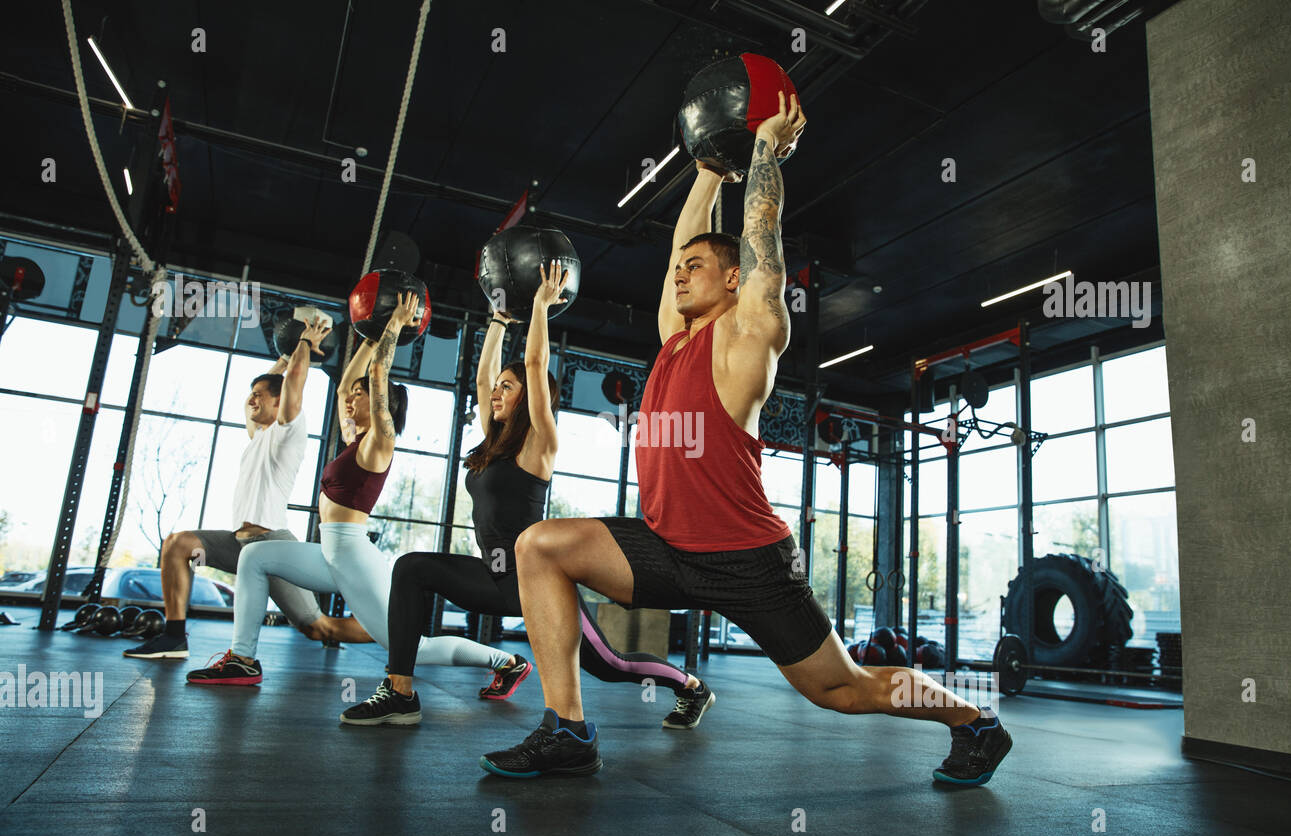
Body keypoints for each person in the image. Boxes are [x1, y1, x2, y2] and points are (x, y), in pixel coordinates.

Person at [481, 94, 1013, 785]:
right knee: (539, 546)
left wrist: (762, 153)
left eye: (694, 269)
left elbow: (763, 237)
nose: (677, 276)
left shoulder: (748, 338)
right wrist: (709, 169)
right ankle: (569, 731)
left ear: (735, 281)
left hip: (749, 562)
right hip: (669, 546)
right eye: (677, 272)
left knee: (845, 689)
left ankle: (974, 720)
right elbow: (683, 242)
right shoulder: (675, 341)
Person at [340, 261, 713, 728]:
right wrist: (497, 321)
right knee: (412, 568)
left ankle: (692, 687)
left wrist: (539, 306)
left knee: (611, 665)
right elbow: (480, 380)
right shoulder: (492, 447)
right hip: (496, 578)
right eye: (498, 388)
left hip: (541, 585)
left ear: (529, 398)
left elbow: (536, 365)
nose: (495, 393)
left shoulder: (539, 444)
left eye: (507, 388)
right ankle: (399, 692)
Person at [184, 294, 506, 689]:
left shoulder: (380, 443)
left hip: (353, 557)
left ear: (383, 405)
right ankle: (244, 660)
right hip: (328, 553)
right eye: (353, 395)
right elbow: (343, 390)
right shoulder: (355, 438)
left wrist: (394, 326)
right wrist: (369, 336)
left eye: (361, 396)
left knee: (413, 650)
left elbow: (376, 379)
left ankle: (505, 661)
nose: (351, 399)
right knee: (255, 556)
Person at [125, 312, 369, 661]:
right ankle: (174, 637)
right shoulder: (257, 436)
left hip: (273, 548)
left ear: (278, 402)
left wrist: (303, 345)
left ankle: (396, 634)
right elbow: (267, 387)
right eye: (252, 394)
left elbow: (294, 384)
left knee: (316, 627)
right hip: (237, 545)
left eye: (260, 395)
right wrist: (284, 357)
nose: (251, 400)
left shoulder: (287, 432)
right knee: (178, 545)